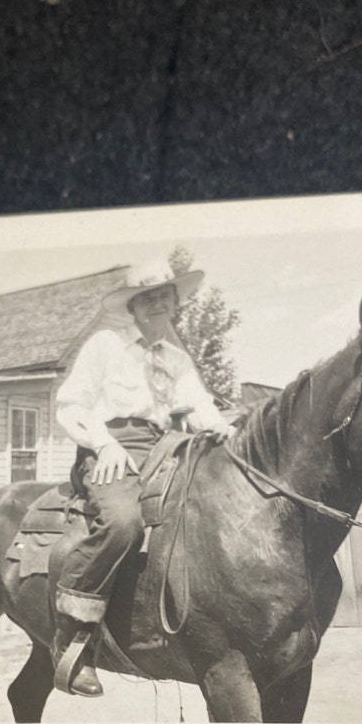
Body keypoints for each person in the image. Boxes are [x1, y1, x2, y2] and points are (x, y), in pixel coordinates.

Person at [52, 260, 232, 697]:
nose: (157, 305)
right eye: (147, 298)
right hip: (110, 447)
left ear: (175, 304)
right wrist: (104, 445)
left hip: (166, 446)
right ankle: (72, 635)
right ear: (132, 308)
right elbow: (72, 405)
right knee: (124, 523)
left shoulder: (177, 358)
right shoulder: (105, 345)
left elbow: (200, 406)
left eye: (164, 297)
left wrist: (222, 427)